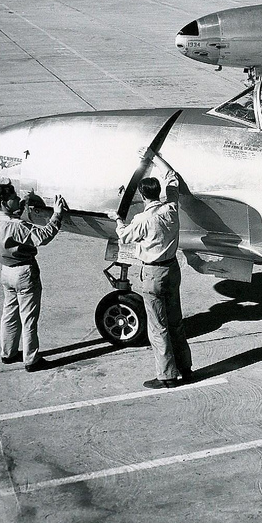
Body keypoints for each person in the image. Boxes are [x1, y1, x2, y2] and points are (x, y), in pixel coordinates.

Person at [107, 161, 191, 389]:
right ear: (158, 192)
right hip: (172, 269)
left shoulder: (143, 220)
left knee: (157, 326)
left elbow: (124, 236)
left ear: (143, 196)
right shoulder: (171, 208)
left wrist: (116, 219)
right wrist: (155, 158)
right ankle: (185, 367)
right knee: (175, 321)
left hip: (153, 273)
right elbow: (172, 177)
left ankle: (167, 375)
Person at [0, 184, 67, 372]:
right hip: (24, 273)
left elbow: (12, 217)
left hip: (6, 271)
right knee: (28, 317)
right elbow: (43, 236)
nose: (17, 199)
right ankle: (31, 359)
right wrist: (57, 214)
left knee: (9, 314)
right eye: (13, 197)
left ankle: (8, 352)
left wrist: (23, 203)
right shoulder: (16, 226)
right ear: (5, 203)